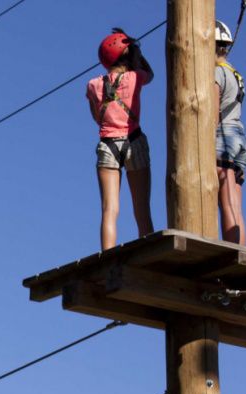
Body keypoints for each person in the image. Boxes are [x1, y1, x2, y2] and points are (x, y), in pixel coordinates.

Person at [87, 30, 156, 250]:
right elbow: (150, 74)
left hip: (107, 143)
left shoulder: (93, 85)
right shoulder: (135, 77)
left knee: (109, 209)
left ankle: (107, 256)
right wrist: (138, 54)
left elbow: (97, 118)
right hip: (134, 140)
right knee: (141, 208)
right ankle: (147, 252)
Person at [215, 20, 246, 244]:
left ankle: (233, 253)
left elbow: (211, 112)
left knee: (226, 203)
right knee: (235, 204)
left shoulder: (217, 73)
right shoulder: (235, 73)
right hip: (240, 138)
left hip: (224, 136)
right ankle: (240, 251)